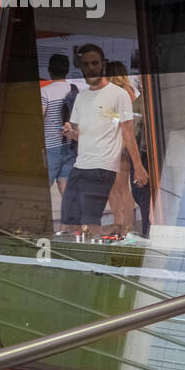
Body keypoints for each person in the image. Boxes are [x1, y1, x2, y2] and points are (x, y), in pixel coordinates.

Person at [61, 44, 148, 237]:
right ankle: (119, 229)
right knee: (69, 223)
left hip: (104, 162)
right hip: (82, 164)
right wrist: (70, 131)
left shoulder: (120, 94)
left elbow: (128, 130)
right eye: (86, 64)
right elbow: (78, 131)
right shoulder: (82, 97)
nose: (90, 68)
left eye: (95, 63)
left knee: (111, 199)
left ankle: (124, 229)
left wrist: (139, 166)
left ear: (104, 65)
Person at [105, 60, 140, 237]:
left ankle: (126, 225)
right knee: (116, 186)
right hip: (117, 143)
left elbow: (126, 120)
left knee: (120, 186)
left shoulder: (121, 92)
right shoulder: (128, 90)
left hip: (120, 144)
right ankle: (121, 223)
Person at [40, 54, 78, 198]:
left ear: (49, 70)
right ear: (67, 70)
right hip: (71, 145)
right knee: (66, 188)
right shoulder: (75, 90)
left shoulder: (45, 92)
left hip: (51, 147)